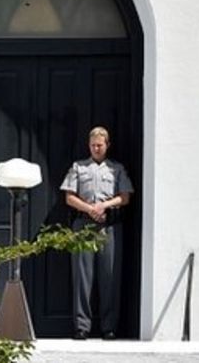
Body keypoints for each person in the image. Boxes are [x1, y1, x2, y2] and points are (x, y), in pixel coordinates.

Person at [60, 126, 134, 340]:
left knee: (110, 276)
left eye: (100, 145)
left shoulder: (116, 169)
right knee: (82, 278)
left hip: (109, 227)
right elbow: (69, 197)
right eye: (93, 145)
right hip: (83, 225)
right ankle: (81, 326)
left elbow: (125, 196)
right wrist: (91, 209)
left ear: (107, 145)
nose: (96, 148)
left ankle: (109, 327)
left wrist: (104, 206)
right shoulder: (78, 167)